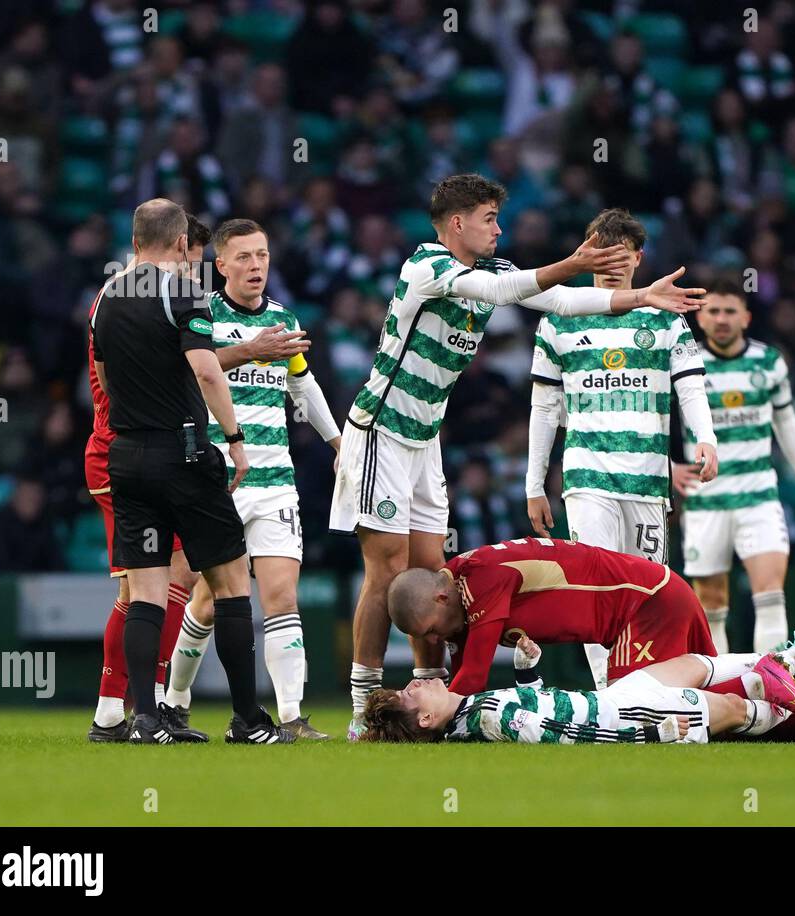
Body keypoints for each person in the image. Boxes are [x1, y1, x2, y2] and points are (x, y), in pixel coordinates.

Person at [330, 173, 705, 739]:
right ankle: (363, 709)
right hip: (381, 429)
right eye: (489, 220)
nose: (499, 230)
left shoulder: (496, 270)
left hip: (426, 438)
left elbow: (557, 299)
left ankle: (440, 698)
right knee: (386, 571)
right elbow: (510, 295)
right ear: (458, 224)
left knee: (433, 576)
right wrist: (575, 261)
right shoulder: (426, 267)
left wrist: (639, 296)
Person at [90, 197, 292, 744]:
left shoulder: (107, 295)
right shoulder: (184, 290)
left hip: (126, 458)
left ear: (135, 241)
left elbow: (106, 379)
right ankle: (248, 720)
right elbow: (206, 371)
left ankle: (146, 720)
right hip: (183, 453)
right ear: (182, 243)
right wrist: (234, 438)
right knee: (229, 585)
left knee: (147, 592)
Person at [526, 208, 719, 688]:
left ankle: (654, 690)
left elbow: (690, 387)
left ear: (638, 257)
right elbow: (545, 409)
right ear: (587, 256)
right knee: (596, 591)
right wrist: (533, 484)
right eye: (601, 257)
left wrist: (706, 437)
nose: (611, 268)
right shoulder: (559, 319)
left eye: (621, 258)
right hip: (587, 479)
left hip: (648, 481)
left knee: (652, 592)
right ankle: (611, 695)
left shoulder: (666, 319)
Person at [162, 218, 340, 740]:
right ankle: (174, 701)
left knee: (282, 595)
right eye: (243, 257)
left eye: (261, 255)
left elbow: (303, 388)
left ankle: (291, 717)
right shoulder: (203, 314)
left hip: (275, 479)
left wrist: (337, 444)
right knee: (208, 599)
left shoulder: (283, 320)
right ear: (220, 266)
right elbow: (187, 369)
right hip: (218, 477)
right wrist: (252, 350)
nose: (256, 265)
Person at [386, 536, 795, 700]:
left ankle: (788, 664)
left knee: (633, 705)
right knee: (704, 693)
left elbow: (472, 677)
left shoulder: (481, 583)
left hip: (648, 604)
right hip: (657, 594)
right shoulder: (462, 588)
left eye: (430, 631)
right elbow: (463, 664)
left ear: (442, 598)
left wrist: (422, 722)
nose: (436, 641)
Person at [671, 281, 795, 653]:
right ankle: (720, 691)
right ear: (700, 316)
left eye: (730, 311)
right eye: (713, 311)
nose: (721, 319)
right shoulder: (685, 361)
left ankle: (772, 696)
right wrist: (669, 466)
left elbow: (787, 424)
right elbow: (655, 416)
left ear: (746, 317)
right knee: (712, 603)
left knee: (770, 592)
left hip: (759, 496)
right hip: (705, 499)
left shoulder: (769, 362)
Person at [361, 635, 795, 745]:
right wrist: (649, 734)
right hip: (623, 715)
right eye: (412, 695)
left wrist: (526, 674)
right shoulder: (485, 719)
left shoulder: (478, 708)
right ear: (426, 721)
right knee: (728, 708)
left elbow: (540, 706)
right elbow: (564, 731)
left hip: (610, 700)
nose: (419, 681)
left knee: (689, 665)